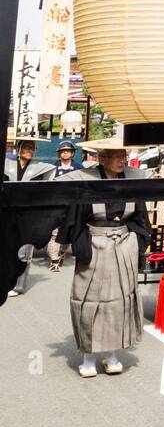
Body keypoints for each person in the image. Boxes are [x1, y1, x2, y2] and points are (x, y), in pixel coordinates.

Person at [60, 138, 151, 378]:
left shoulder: (133, 179)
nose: (122, 159)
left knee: (118, 301)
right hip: (93, 242)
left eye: (124, 154)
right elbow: (74, 217)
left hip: (124, 244)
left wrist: (135, 241)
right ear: (101, 158)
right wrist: (71, 245)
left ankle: (111, 355)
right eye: (115, 155)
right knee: (89, 301)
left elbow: (140, 217)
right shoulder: (86, 179)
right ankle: (88, 357)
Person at [3, 138, 54, 296]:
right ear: (18, 149)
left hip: (27, 215)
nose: (30, 150)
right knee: (5, 248)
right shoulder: (7, 164)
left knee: (24, 251)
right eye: (26, 147)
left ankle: (18, 285)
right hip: (7, 213)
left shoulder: (41, 169)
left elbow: (48, 186)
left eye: (32, 148)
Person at [47, 140, 79, 272]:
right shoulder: (52, 168)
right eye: (62, 151)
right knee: (54, 233)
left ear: (72, 153)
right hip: (57, 204)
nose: (65, 153)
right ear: (59, 154)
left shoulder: (79, 167)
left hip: (73, 204)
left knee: (68, 232)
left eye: (68, 150)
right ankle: (54, 260)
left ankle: (61, 255)